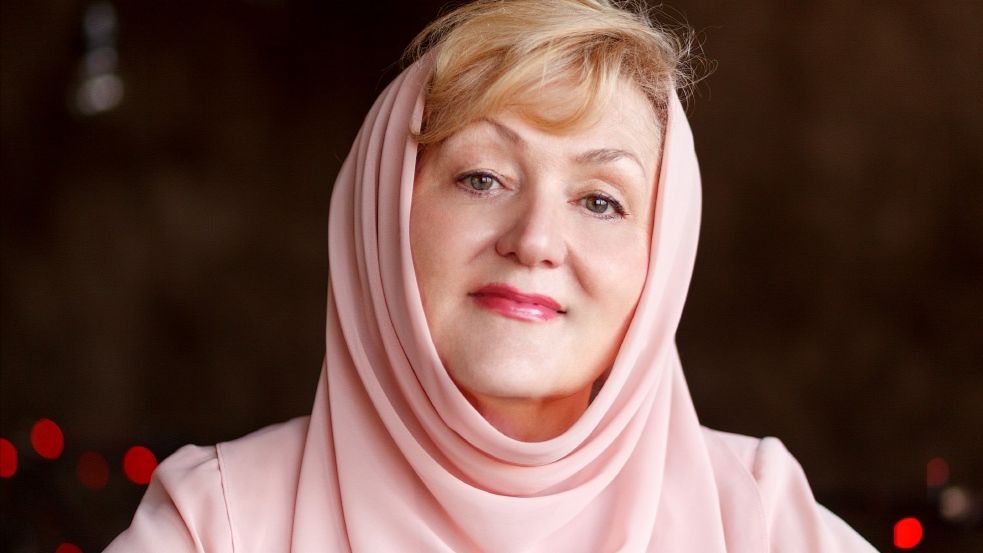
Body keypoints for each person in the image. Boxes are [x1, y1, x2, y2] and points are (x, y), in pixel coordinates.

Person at [106, 0, 876, 551]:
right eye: (482, 178)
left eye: (599, 200)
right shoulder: (218, 524)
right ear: (386, 210)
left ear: (661, 257)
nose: (535, 240)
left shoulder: (758, 520)